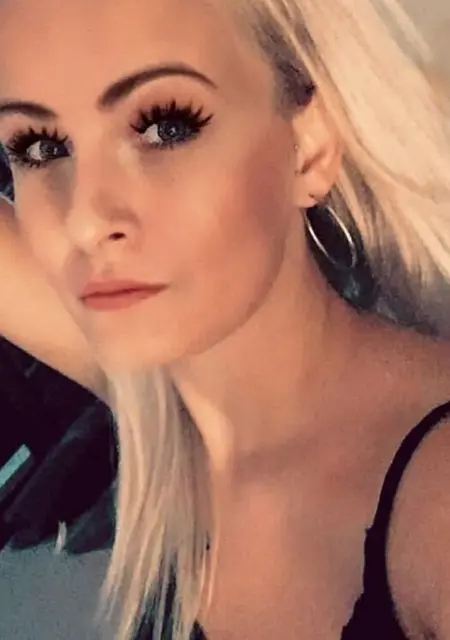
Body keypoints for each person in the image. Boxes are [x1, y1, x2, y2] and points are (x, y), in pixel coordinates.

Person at [0, 0, 449, 639]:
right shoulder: (175, 414)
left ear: (309, 150)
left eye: (164, 126)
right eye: (39, 147)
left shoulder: (436, 503)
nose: (84, 220)